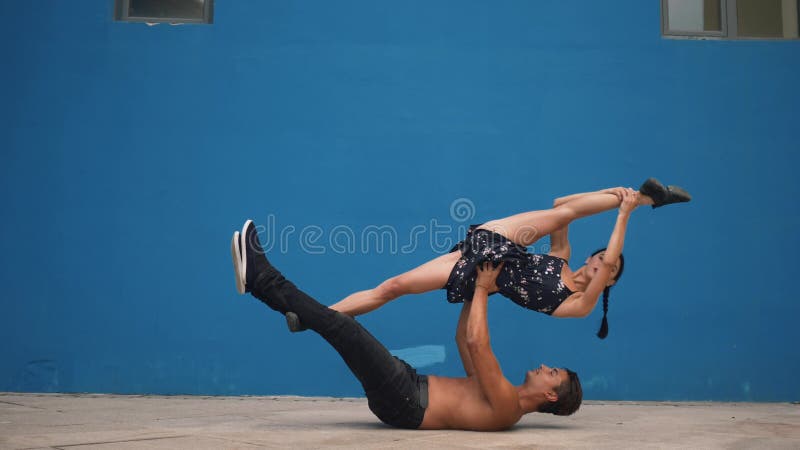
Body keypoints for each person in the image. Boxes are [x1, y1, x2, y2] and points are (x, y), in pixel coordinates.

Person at [230, 220, 583, 431]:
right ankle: (272, 295)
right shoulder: (499, 391)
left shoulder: (507, 406)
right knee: (341, 327)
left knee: (344, 328)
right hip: (407, 386)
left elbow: (478, 343)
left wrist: (482, 288)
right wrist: (476, 290)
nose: (544, 367)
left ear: (551, 395)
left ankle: (262, 279)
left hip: (405, 400)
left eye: (552, 373)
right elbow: (463, 340)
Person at [283, 178, 691, 338]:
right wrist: (611, 193)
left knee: (394, 288)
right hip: (500, 242)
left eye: (608, 265)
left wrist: (623, 214)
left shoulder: (579, 303)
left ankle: (310, 318)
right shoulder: (561, 257)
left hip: (483, 271)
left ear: (610, 279)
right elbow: (561, 203)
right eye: (600, 256)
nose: (600, 262)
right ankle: (645, 197)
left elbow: (614, 250)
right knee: (562, 216)